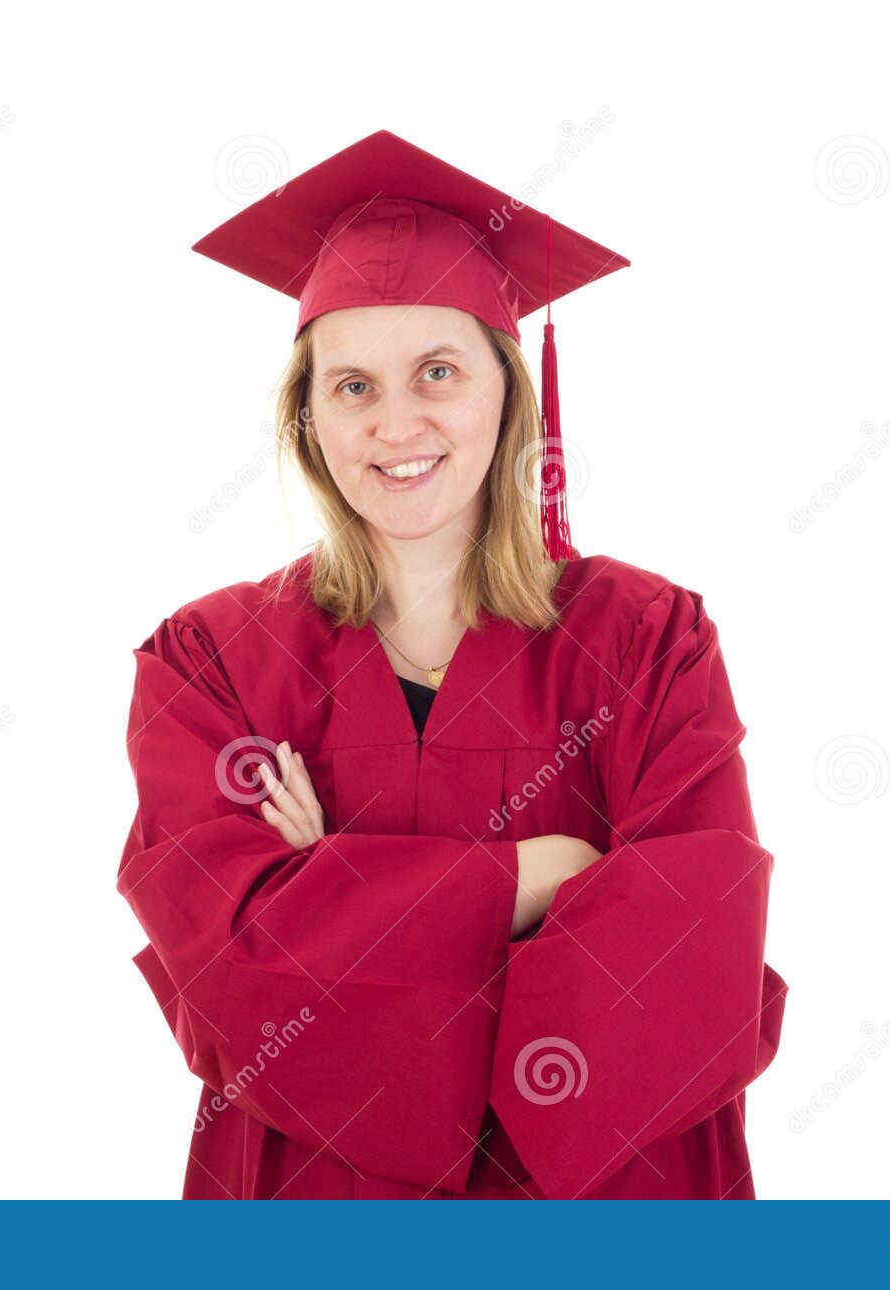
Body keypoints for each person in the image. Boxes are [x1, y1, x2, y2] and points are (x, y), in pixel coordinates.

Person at [116, 131, 788, 1199]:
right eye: (350, 387)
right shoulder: (215, 663)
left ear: (506, 394)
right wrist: (540, 877)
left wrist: (336, 893)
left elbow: (687, 957)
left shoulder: (646, 639)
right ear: (308, 418)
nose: (397, 424)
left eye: (438, 371)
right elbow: (231, 974)